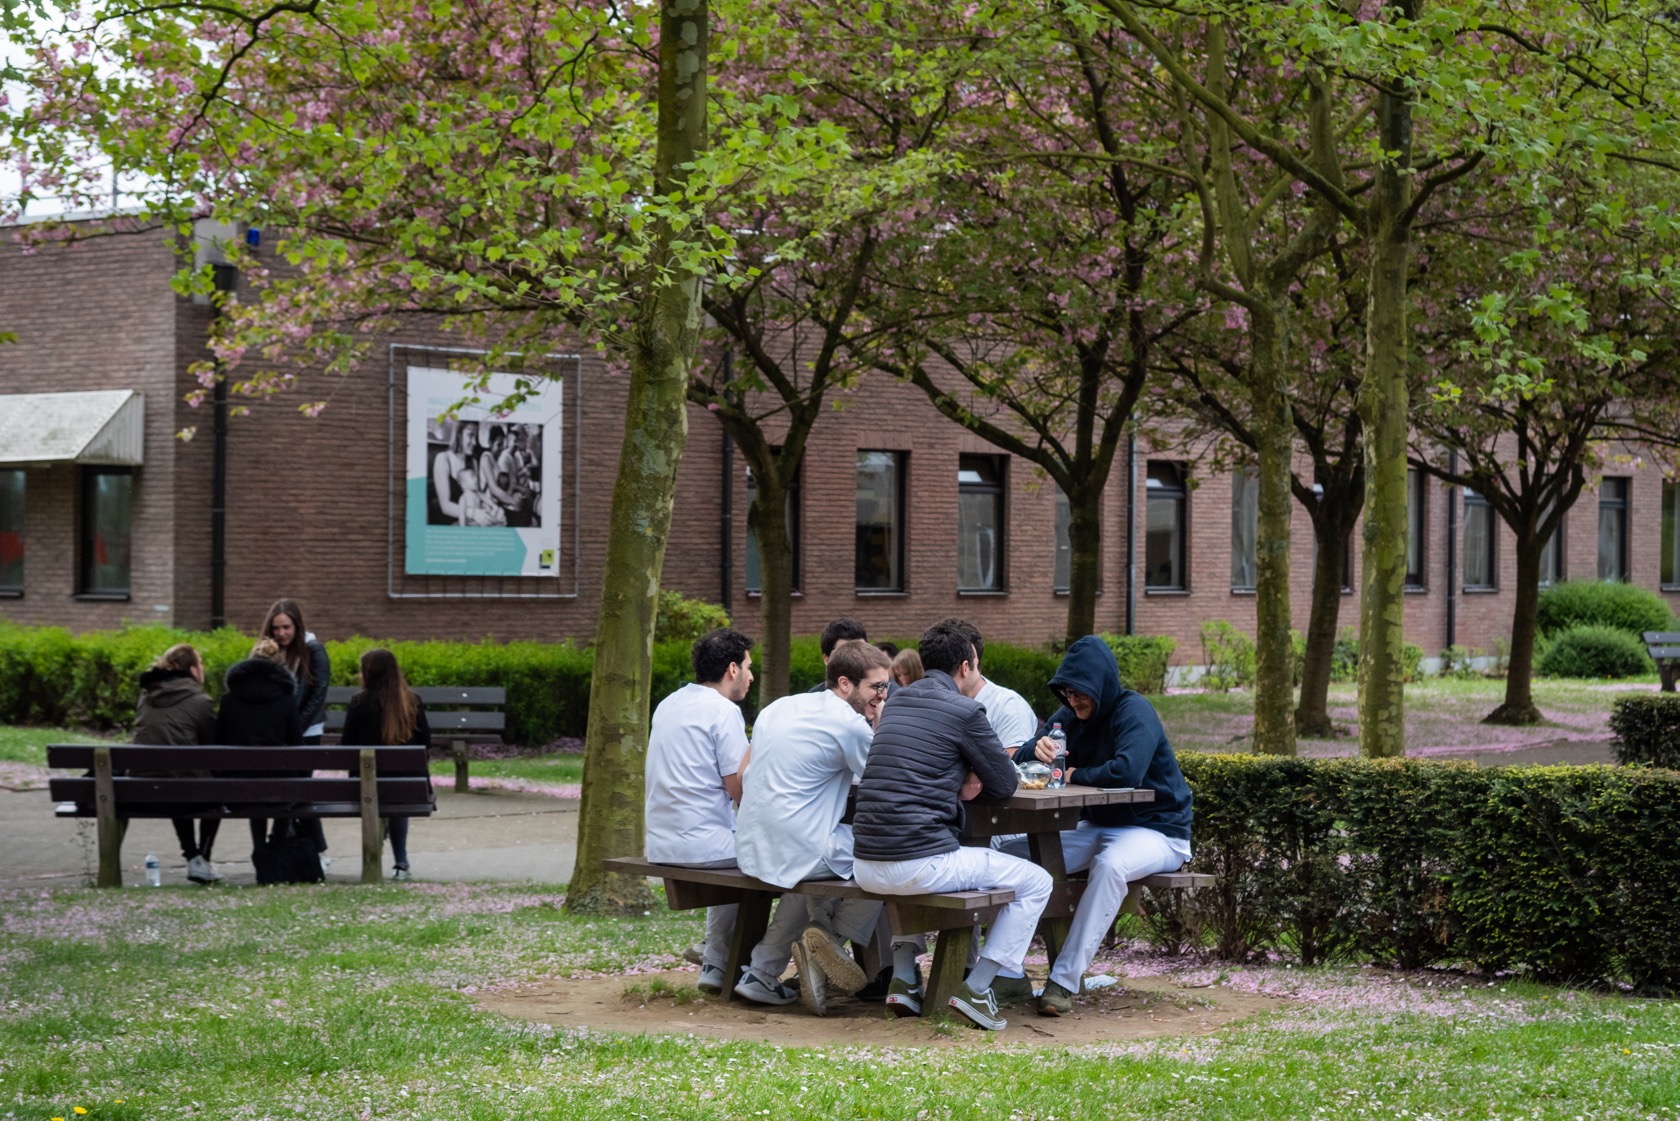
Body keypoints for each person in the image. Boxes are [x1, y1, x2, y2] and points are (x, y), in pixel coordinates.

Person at [850, 621, 1053, 1031]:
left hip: (865, 863)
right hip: (918, 863)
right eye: (976, 666)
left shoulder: (894, 704)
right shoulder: (966, 710)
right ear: (965, 665)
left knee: (910, 864)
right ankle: (978, 988)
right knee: (1039, 882)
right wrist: (968, 773)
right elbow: (1005, 782)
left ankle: (905, 979)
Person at [1012, 635, 1193, 1016]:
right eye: (1067, 693)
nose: (1073, 701)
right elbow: (1028, 752)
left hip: (1159, 830)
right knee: (1013, 856)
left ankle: (1062, 980)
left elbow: (1127, 770)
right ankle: (1000, 970)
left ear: (1102, 685)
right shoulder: (1069, 716)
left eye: (1081, 694)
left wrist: (1074, 771)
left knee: (1111, 866)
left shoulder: (1134, 710)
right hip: (1097, 825)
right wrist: (1038, 749)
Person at [734, 641, 891, 1016]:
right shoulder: (848, 725)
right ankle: (828, 941)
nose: (883, 695)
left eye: (886, 687)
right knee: (891, 854)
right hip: (796, 848)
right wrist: (880, 727)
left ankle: (761, 972)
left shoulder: (780, 707)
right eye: (877, 687)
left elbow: (746, 772)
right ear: (844, 683)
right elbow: (886, 779)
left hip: (750, 845)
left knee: (808, 869)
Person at [643, 628, 754, 995]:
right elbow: (739, 788)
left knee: (736, 848)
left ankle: (715, 962)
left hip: (661, 843)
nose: (752, 677)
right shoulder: (724, 711)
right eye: (750, 668)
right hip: (704, 847)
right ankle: (764, 965)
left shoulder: (669, 703)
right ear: (732, 669)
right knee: (782, 856)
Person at [340, 648, 432, 881]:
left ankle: (377, 851)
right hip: (407, 786)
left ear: (370, 673)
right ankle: (401, 862)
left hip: (365, 785)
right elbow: (426, 745)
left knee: (379, 790)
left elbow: (346, 747)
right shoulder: (412, 701)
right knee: (396, 793)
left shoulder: (359, 703)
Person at [132, 643, 221, 885]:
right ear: (192, 670)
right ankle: (200, 858)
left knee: (174, 778)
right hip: (184, 792)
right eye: (200, 665)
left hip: (140, 789)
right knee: (212, 786)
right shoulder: (200, 701)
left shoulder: (146, 696)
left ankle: (193, 855)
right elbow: (212, 746)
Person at [217, 638, 306, 857]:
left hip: (238, 793)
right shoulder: (285, 701)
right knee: (283, 786)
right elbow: (299, 747)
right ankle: (277, 843)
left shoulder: (229, 701)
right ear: (278, 666)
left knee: (255, 786)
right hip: (281, 792)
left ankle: (259, 848)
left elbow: (218, 743)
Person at [262, 599, 332, 869]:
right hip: (279, 733)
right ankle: (302, 847)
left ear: (297, 625)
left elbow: (317, 695)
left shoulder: (313, 650)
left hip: (307, 731)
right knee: (289, 789)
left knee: (298, 788)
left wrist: (296, 729)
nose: (281, 633)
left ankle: (310, 849)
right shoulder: (269, 652)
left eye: (286, 627)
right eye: (276, 628)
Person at [939, 618, 1037, 747]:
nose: (937, 680)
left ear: (966, 667)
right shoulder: (937, 704)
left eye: (944, 672)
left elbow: (1013, 763)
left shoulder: (1009, 707)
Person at [430, 419, 480, 525]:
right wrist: (475, 514)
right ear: (459, 434)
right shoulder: (443, 459)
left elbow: (476, 494)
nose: (475, 442)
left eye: (476, 436)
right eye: (470, 435)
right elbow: (445, 506)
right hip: (447, 524)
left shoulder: (473, 462)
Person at [804, 618, 869, 693]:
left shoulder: (881, 694)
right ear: (827, 660)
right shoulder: (815, 697)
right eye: (845, 654)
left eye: (860, 651)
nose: (855, 659)